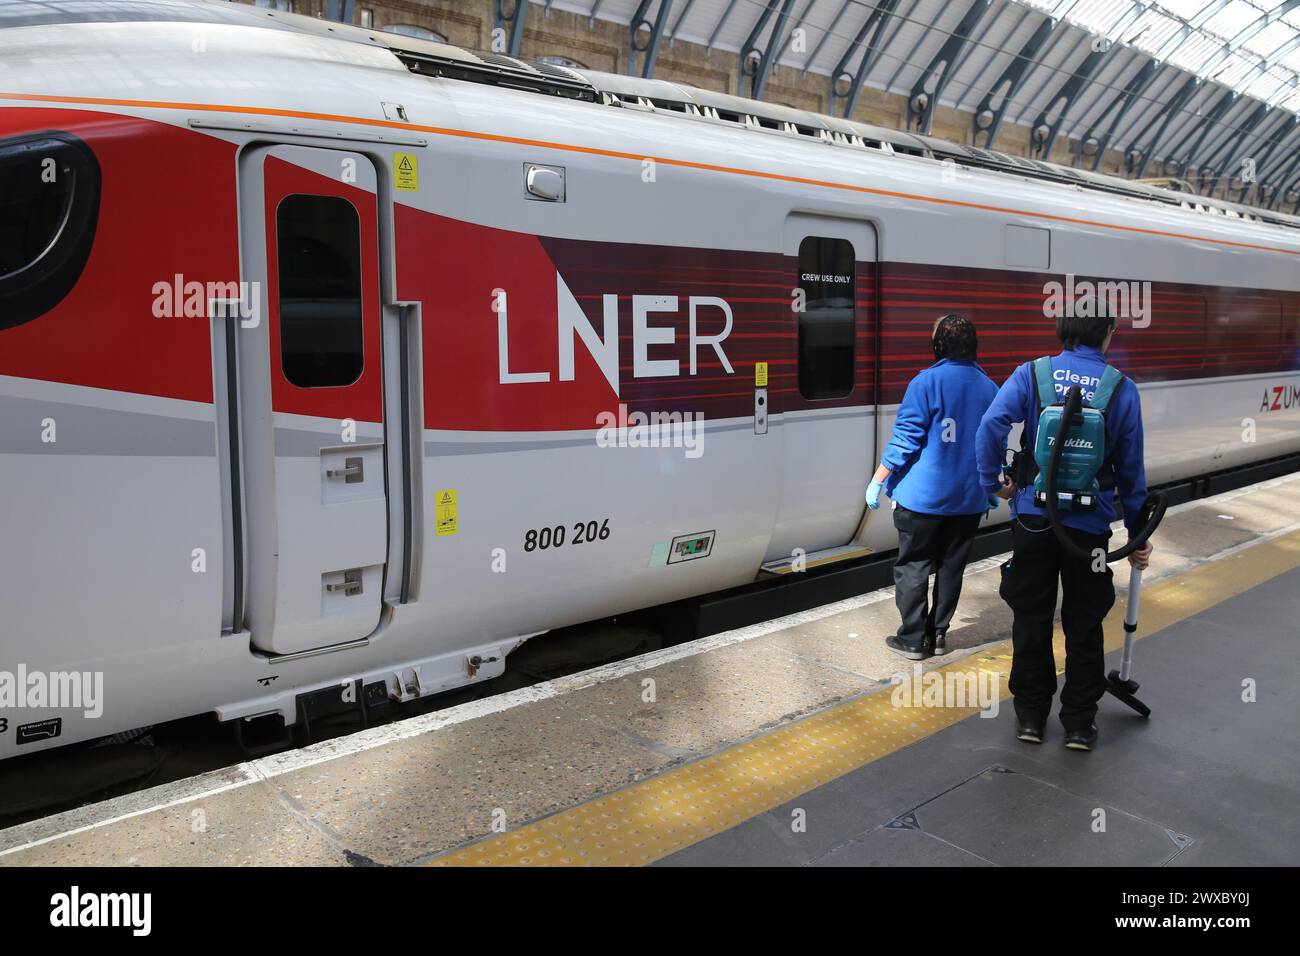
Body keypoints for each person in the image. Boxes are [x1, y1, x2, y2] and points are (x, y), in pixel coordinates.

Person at [975, 304, 1153, 752]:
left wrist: (992, 480)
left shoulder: (1031, 375)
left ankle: (1031, 718)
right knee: (1084, 622)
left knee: (1031, 618)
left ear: (1064, 330)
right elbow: (1131, 473)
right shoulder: (1121, 389)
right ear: (1108, 334)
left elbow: (990, 423)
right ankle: (1077, 723)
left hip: (1034, 520)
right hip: (1088, 530)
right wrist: (1137, 536)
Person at [866, 314, 998, 661]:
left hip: (922, 500)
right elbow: (993, 443)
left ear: (939, 344)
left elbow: (906, 439)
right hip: (968, 500)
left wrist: (878, 479)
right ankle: (939, 634)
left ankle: (912, 638)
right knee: (952, 566)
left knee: (914, 566)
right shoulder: (990, 388)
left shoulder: (925, 383)